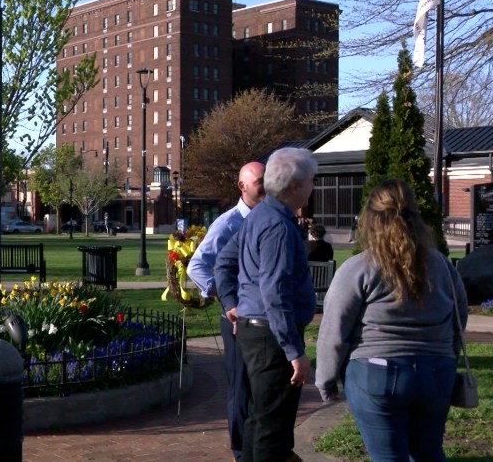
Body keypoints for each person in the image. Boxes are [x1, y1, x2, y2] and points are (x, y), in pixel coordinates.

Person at [315, 179, 467, 461]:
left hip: (377, 373)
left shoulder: (359, 268)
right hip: (436, 372)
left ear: (369, 218)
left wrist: (325, 380)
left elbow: (334, 330)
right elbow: (459, 320)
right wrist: (446, 358)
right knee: (429, 453)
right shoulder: (442, 266)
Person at [234, 147, 317, 462]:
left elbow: (228, 260)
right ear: (294, 186)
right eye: (311, 180)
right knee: (273, 429)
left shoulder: (261, 215)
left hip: (256, 330)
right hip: (271, 335)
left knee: (260, 418)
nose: (314, 187)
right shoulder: (278, 226)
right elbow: (275, 291)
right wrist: (294, 352)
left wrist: (236, 301)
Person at [186, 161, 265, 461]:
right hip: (235, 320)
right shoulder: (228, 223)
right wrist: (228, 300)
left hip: (262, 320)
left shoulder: (270, 218)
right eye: (259, 181)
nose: (265, 185)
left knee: (262, 388)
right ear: (242, 186)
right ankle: (239, 451)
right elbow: (197, 266)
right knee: (241, 388)